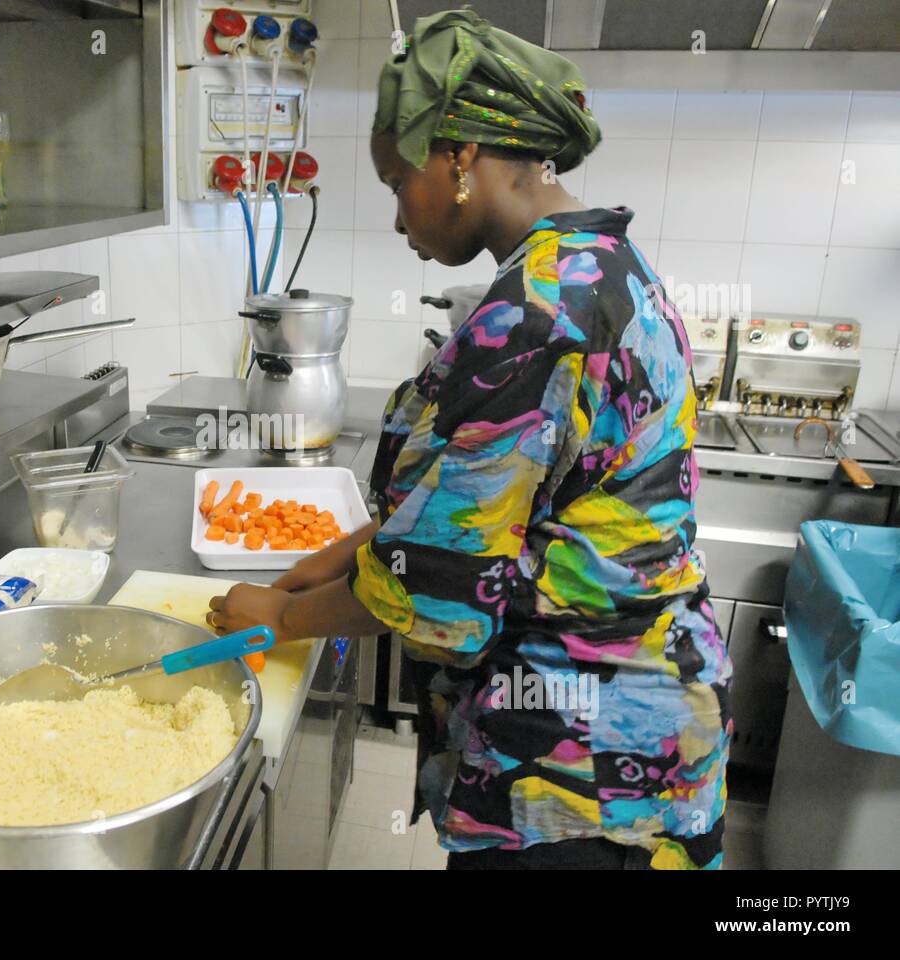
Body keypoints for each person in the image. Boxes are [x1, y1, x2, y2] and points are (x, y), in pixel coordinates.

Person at [207, 5, 732, 870]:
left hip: (579, 774)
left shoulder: (530, 314)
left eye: (393, 183)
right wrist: (344, 553)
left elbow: (447, 595)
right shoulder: (602, 263)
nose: (396, 218)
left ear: (457, 159)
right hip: (649, 730)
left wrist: (282, 617)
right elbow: (503, 501)